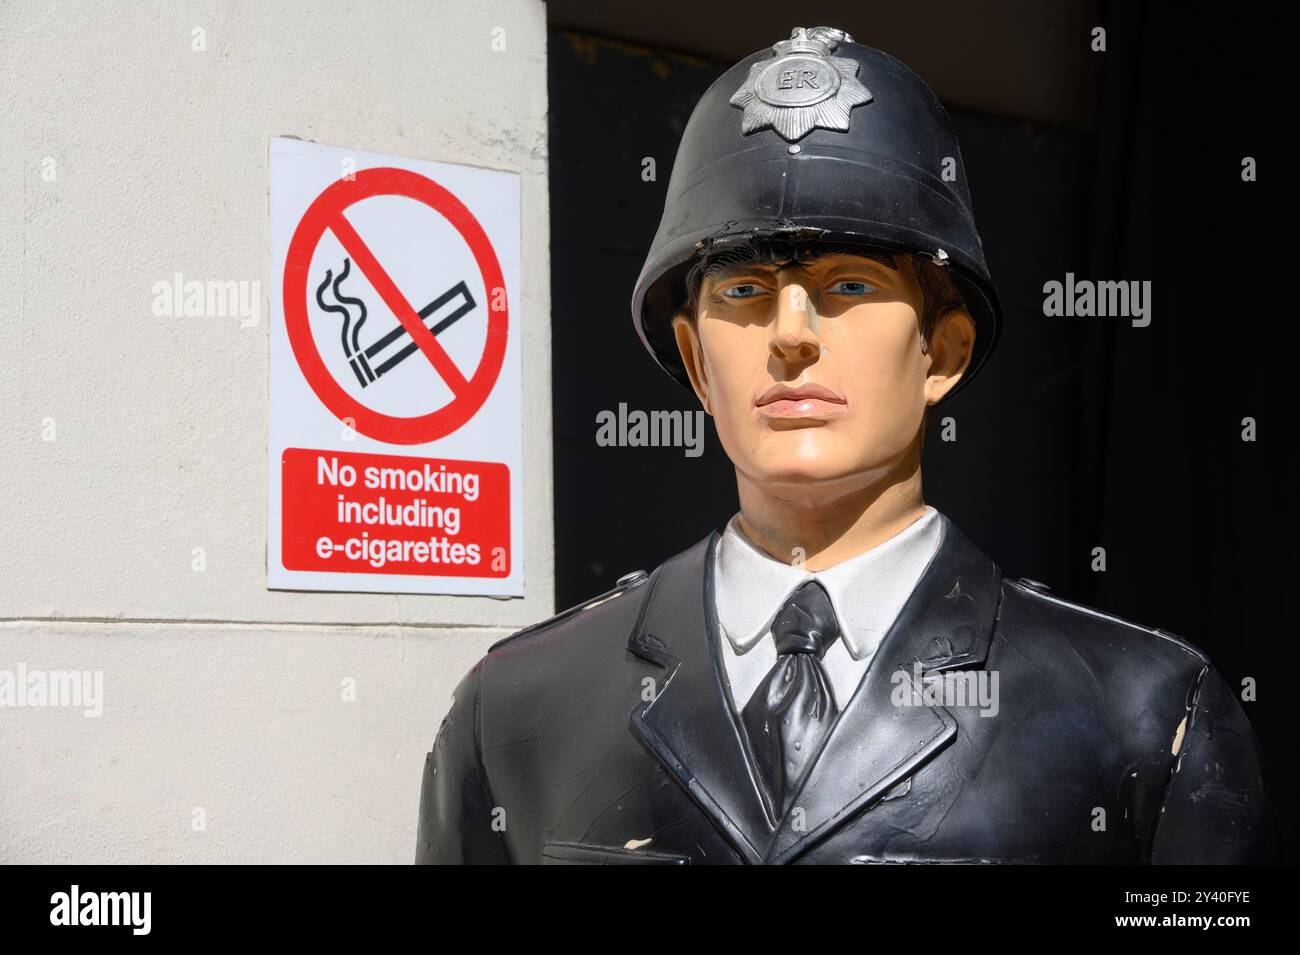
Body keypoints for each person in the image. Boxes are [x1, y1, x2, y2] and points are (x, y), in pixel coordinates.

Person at [415, 26, 1273, 864]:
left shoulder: (1143, 715)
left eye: (850, 283)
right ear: (694, 361)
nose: (791, 334)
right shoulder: (522, 709)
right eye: (746, 287)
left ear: (943, 351)